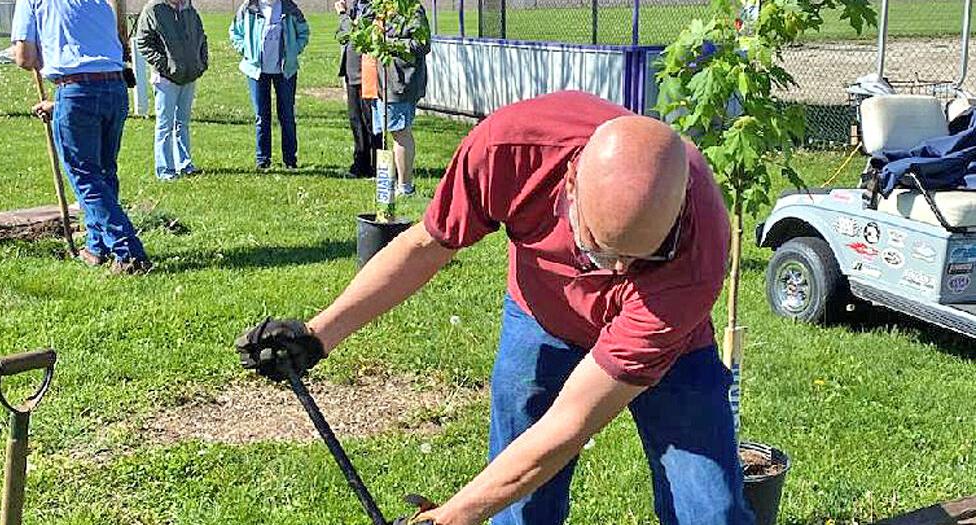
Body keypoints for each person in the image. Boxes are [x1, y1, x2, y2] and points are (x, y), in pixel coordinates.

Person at [236, 90, 753, 525]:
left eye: (641, 258)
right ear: (568, 186)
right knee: (521, 508)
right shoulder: (511, 149)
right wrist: (318, 334)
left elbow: (572, 422)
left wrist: (453, 516)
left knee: (712, 509)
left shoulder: (698, 243)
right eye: (598, 250)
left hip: (674, 351)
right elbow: (427, 246)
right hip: (541, 320)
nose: (616, 273)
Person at [12, 0, 151, 275]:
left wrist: (64, 94)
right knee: (104, 173)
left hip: (77, 90)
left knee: (86, 177)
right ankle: (97, 246)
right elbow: (92, 50)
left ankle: (128, 252)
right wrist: (60, 104)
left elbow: (24, 58)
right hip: (113, 88)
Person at [229, 0, 310, 170]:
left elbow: (304, 32)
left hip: (285, 71)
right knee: (261, 116)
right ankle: (262, 160)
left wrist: (294, 51)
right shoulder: (249, 7)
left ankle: (290, 160)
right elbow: (235, 32)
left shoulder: (290, 8)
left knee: (287, 116)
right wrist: (246, 50)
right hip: (257, 71)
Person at [136, 0, 209, 181]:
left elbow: (201, 36)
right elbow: (143, 43)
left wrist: (201, 63)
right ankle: (165, 170)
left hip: (189, 75)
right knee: (164, 126)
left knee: (182, 123)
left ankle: (184, 164)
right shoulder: (153, 9)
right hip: (165, 80)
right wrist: (166, 66)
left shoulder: (189, 9)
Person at [369, 2, 429, 195]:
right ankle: (389, 184)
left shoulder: (412, 9)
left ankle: (405, 186)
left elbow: (422, 44)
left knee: (400, 132)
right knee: (389, 132)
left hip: (400, 82)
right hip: (380, 81)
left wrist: (390, 43)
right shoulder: (379, 8)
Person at [336, 0, 380, 179]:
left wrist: (342, 15)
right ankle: (360, 163)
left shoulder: (375, 7)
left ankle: (378, 166)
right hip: (352, 71)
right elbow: (342, 36)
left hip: (367, 72)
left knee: (371, 122)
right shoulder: (355, 6)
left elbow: (357, 32)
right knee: (356, 120)